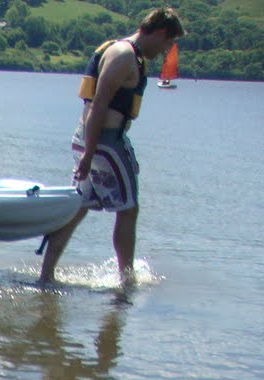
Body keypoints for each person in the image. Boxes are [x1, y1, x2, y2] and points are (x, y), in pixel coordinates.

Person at [38, 6, 185, 287]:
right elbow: (98, 104)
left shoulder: (126, 54)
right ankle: (126, 281)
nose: (167, 50)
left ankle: (46, 276)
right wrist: (91, 152)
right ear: (161, 32)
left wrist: (87, 151)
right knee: (128, 209)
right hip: (104, 143)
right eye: (168, 43)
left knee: (77, 207)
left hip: (90, 141)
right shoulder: (124, 55)